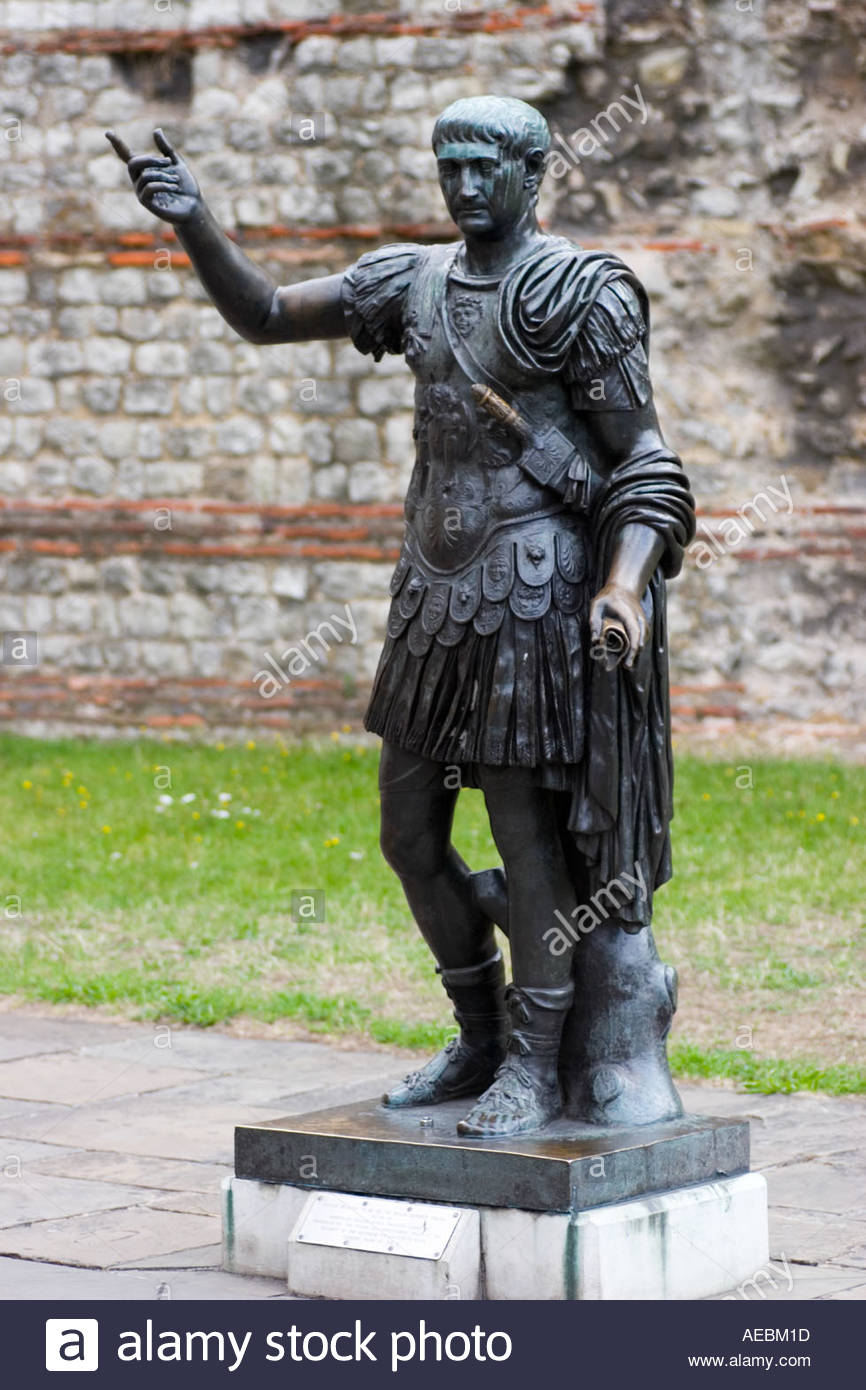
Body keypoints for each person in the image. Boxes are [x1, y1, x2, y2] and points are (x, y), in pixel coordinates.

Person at [107, 94, 695, 1138]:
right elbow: (267, 315)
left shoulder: (577, 293)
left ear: (532, 171)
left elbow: (643, 459)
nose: (464, 187)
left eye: (485, 168)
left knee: (528, 843)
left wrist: (620, 581)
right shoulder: (410, 279)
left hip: (533, 588)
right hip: (434, 590)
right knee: (408, 833)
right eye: (448, 168)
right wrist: (193, 220)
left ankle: (533, 1059)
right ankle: (476, 1032)